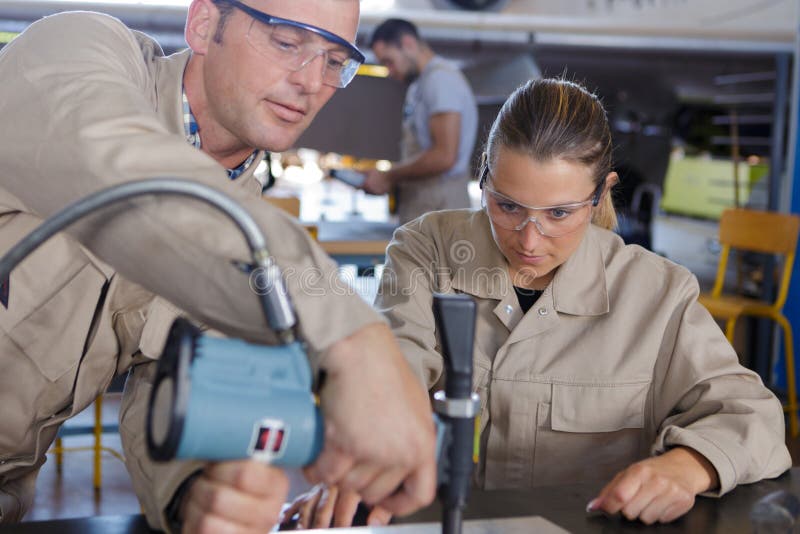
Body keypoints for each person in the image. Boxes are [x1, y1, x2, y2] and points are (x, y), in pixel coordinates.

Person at [0, 0, 436, 531]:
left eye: (333, 59)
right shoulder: (75, 52)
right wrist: (353, 337)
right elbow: (125, 178)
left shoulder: (241, 265)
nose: (311, 81)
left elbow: (178, 394)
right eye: (287, 41)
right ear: (204, 24)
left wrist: (197, 493)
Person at [285, 77, 792, 528]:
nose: (530, 239)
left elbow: (753, 418)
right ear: (483, 175)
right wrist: (363, 460)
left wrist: (687, 467)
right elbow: (395, 370)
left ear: (601, 195)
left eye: (559, 213)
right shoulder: (429, 250)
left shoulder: (656, 294)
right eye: (507, 205)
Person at [363, 18, 478, 224]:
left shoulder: (441, 80)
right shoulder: (419, 85)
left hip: (441, 204)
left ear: (408, 44)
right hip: (426, 202)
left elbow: (444, 156)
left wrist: (389, 176)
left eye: (389, 61)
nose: (389, 71)